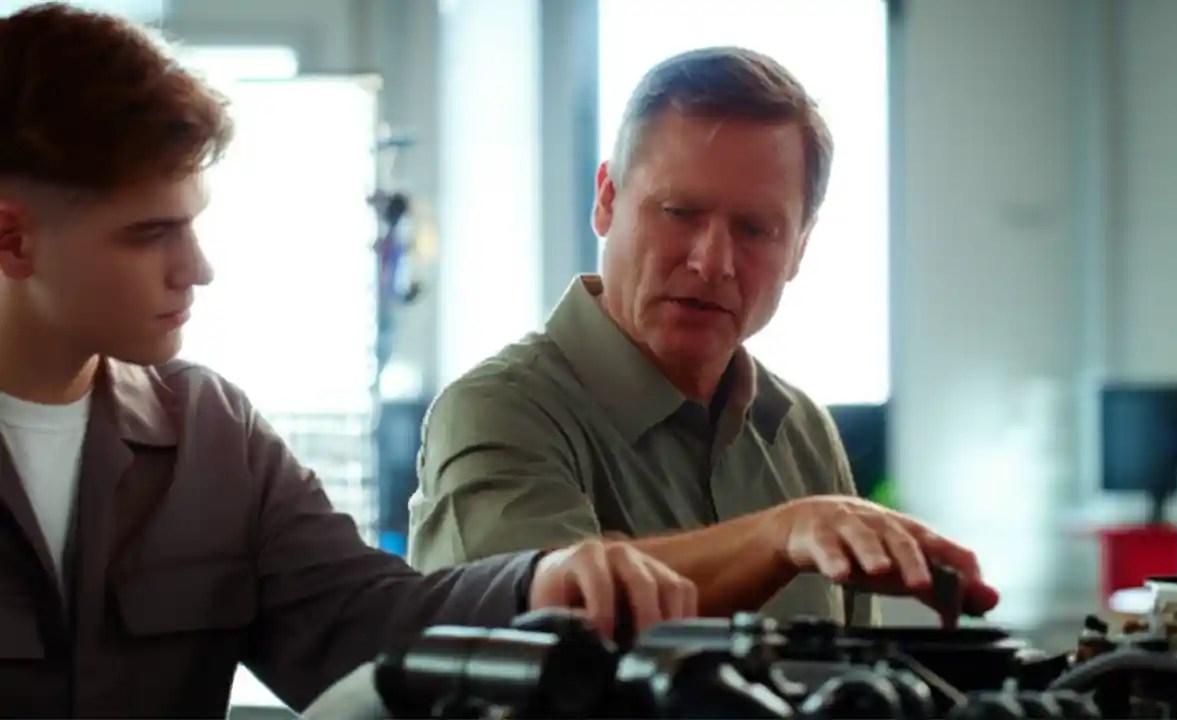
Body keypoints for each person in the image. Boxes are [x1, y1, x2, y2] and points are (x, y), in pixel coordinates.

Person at [0, 4, 696, 717]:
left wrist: (538, 582)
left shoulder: (212, 434)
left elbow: (367, 624)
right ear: (12, 239)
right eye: (150, 233)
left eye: (191, 223)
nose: (197, 268)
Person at [409, 46, 1000, 626]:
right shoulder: (496, 411)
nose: (713, 261)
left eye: (756, 229)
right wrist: (780, 534)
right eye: (678, 211)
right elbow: (537, 629)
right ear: (607, 200)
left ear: (799, 248)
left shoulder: (802, 433)